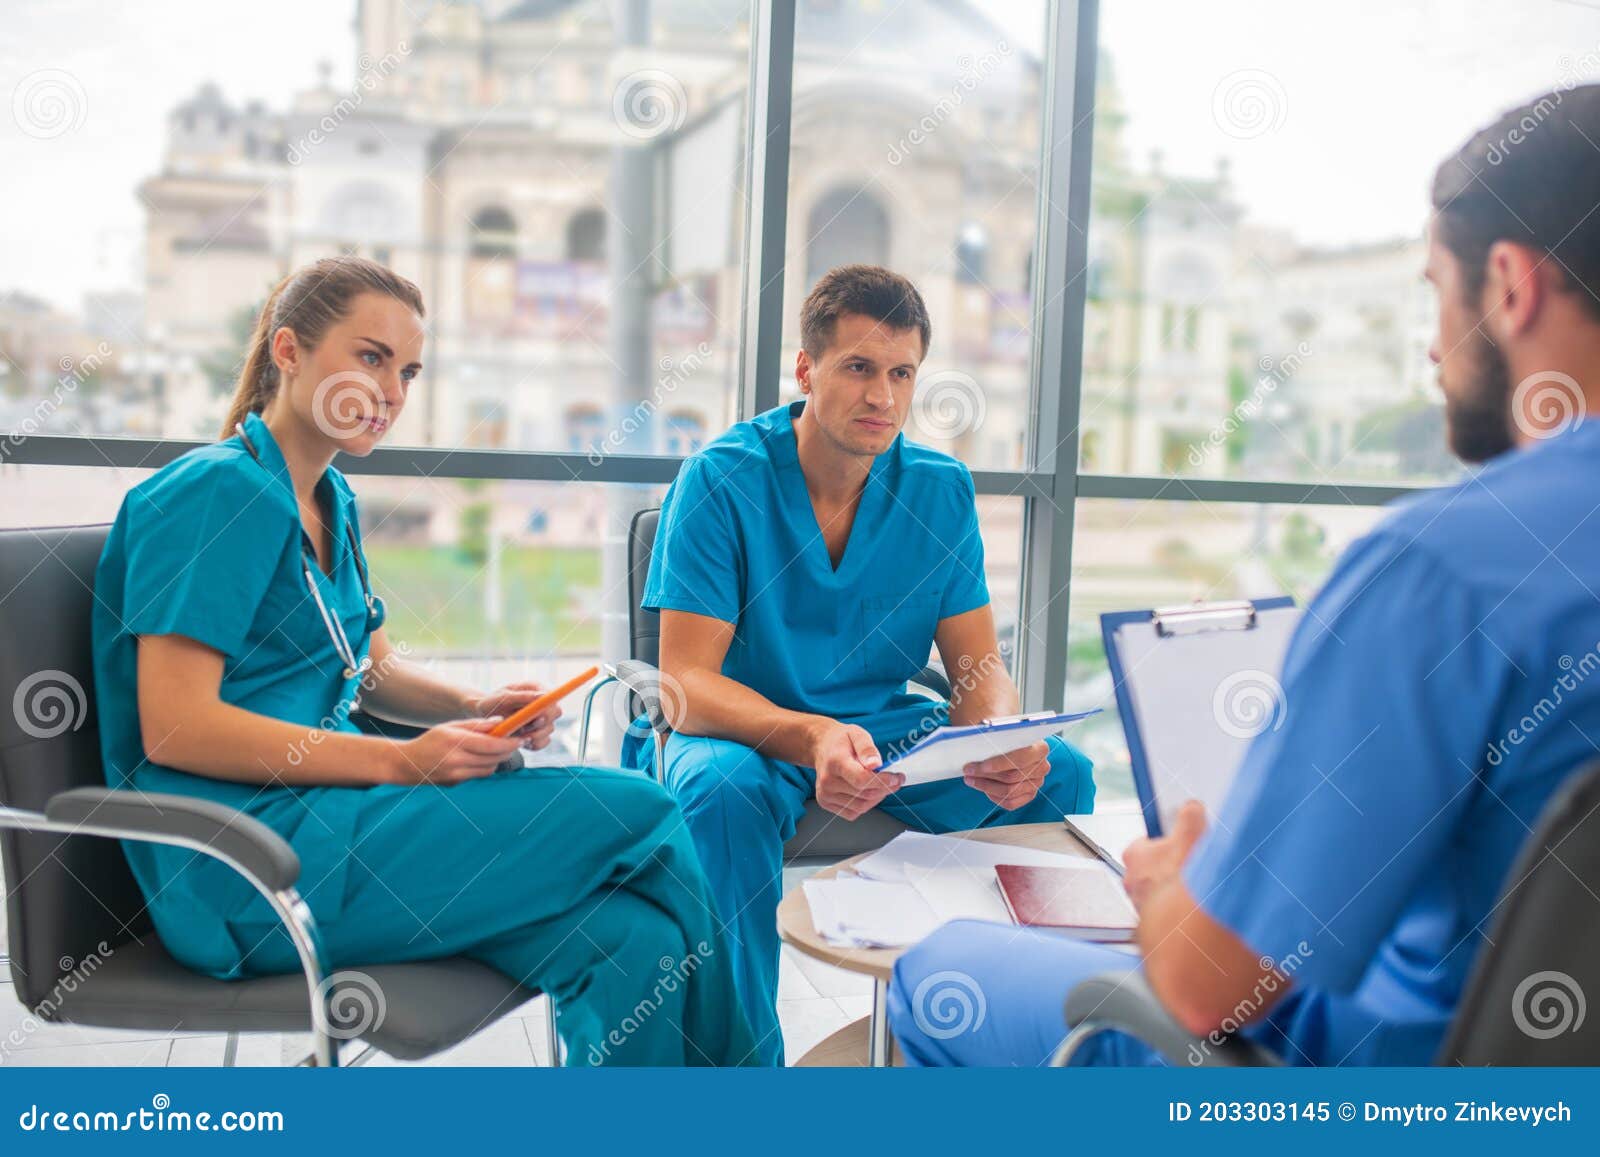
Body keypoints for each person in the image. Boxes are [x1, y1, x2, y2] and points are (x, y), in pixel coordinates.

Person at [889, 85, 1600, 1067]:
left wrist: (1170, 886)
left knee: (941, 975)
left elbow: (1201, 982)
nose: (1434, 344)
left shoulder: (1441, 570)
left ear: (1512, 286)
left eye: (1439, 290)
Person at [91, 256, 756, 1067]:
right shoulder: (211, 494)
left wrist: (474, 707)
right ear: (289, 351)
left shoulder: (329, 497)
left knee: (635, 940)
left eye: (407, 370)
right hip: (247, 867)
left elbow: (367, 673)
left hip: (337, 821)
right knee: (641, 809)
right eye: (370, 357)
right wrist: (403, 761)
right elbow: (176, 726)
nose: (393, 391)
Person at [635, 265, 1096, 1064]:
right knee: (718, 795)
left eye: (901, 372)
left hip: (882, 730)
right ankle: (739, 1076)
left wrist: (998, 735)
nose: (882, 394)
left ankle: (1010, 1042)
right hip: (741, 730)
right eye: (858, 367)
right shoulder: (721, 478)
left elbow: (975, 666)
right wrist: (812, 735)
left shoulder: (938, 488)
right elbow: (687, 687)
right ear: (807, 369)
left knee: (1060, 775)